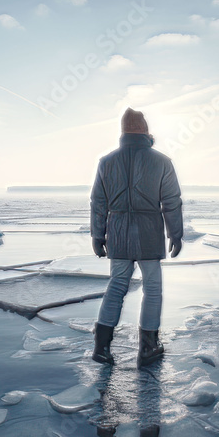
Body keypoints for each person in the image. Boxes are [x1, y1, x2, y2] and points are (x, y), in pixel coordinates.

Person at [90, 107, 183, 365]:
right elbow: (171, 201)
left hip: (118, 230)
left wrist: (98, 235)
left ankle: (101, 347)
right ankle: (148, 347)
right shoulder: (161, 161)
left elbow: (98, 202)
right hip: (149, 232)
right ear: (144, 130)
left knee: (117, 285)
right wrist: (175, 233)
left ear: (122, 131)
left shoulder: (106, 162)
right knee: (152, 288)